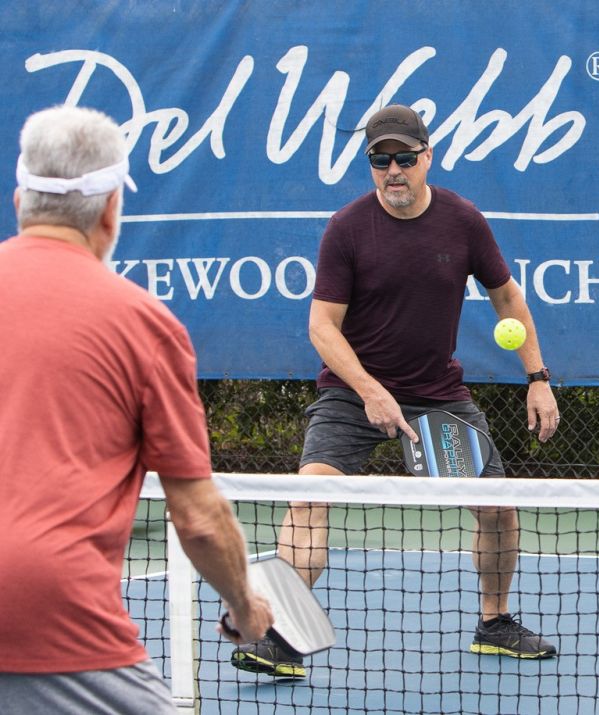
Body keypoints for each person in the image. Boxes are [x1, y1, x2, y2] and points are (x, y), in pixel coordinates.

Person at [231, 104, 560, 677]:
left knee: (498, 508)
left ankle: (495, 622)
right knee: (309, 498)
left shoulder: (463, 221)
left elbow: (508, 297)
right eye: (380, 160)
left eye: (404, 158)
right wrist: (368, 390)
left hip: (438, 395)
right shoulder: (347, 228)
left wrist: (538, 378)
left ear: (427, 157)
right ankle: (280, 636)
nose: (393, 171)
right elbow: (321, 327)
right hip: (351, 395)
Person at [0, 105, 273, 713]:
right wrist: (247, 607)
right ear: (110, 208)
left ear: (20, 200)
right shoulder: (142, 325)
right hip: (50, 612)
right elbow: (199, 519)